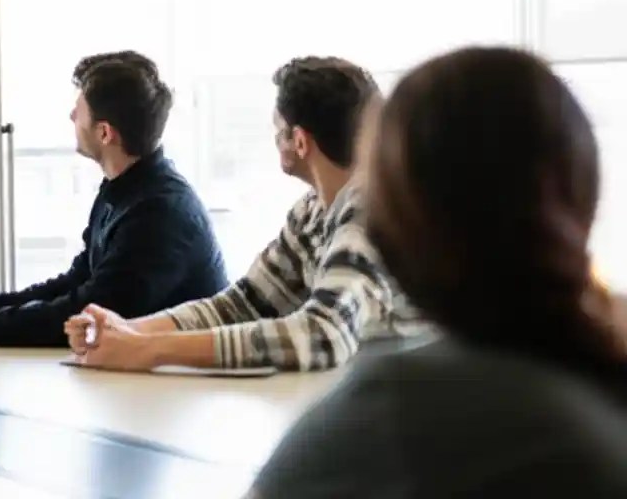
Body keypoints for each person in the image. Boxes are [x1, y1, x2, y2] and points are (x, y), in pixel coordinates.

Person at [250, 47, 627, 498]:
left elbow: (320, 334)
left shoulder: (367, 430)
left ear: (395, 225)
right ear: (586, 197)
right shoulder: (599, 375)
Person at [66, 56, 421, 372]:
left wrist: (149, 350)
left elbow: (321, 336)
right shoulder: (311, 212)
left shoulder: (370, 214)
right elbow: (244, 304)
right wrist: (127, 330)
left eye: (277, 130)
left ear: (299, 141)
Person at [0, 51, 227, 347]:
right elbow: (77, 282)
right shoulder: (124, 189)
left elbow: (83, 316)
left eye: (79, 110)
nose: (71, 115)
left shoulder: (161, 214)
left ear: (104, 133)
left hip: (180, 388)